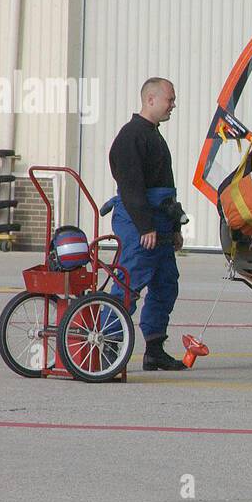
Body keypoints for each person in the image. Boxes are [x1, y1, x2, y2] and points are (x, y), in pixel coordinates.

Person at [106, 77, 186, 370]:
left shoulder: (153, 135)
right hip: (141, 224)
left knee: (166, 284)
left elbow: (166, 187)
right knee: (130, 283)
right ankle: (107, 345)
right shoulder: (131, 137)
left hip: (160, 223)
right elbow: (130, 187)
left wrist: (175, 229)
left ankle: (154, 349)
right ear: (150, 100)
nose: (173, 105)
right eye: (170, 99)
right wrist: (145, 227)